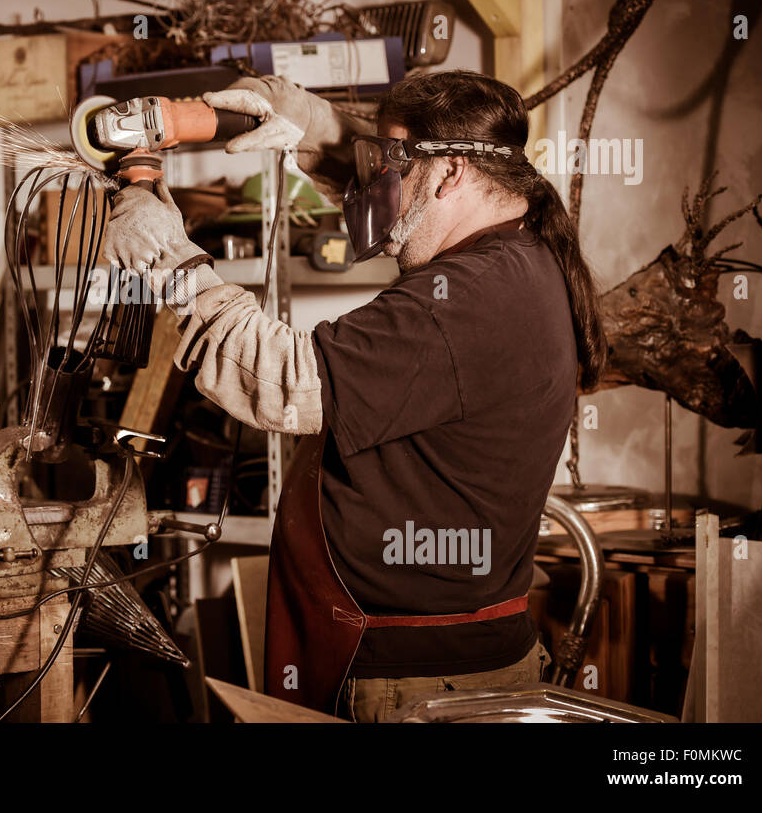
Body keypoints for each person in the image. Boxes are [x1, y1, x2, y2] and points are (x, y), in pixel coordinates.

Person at [101, 70, 606, 721]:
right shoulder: (521, 251)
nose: (372, 184)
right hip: (436, 663)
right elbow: (399, 189)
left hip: (414, 681)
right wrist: (307, 122)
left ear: (452, 173)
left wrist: (163, 257)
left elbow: (282, 380)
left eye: (386, 163)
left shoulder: (463, 302)